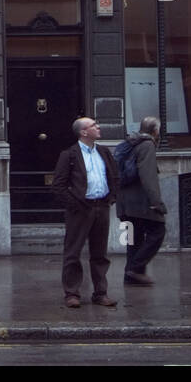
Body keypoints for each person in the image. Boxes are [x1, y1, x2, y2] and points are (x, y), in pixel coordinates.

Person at [51, 116, 119, 308]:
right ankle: (72, 293)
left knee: (100, 253)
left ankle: (101, 293)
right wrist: (75, 205)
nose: (98, 127)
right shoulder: (69, 155)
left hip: (102, 206)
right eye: (93, 125)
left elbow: (114, 175)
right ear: (83, 132)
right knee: (73, 252)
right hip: (80, 209)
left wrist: (111, 198)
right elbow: (59, 186)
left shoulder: (104, 152)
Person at [115, 115, 166, 286]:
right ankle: (135, 269)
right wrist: (157, 202)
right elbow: (148, 176)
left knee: (133, 239)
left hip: (125, 202)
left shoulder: (132, 142)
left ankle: (130, 276)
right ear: (155, 130)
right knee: (158, 231)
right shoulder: (147, 145)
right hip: (140, 202)